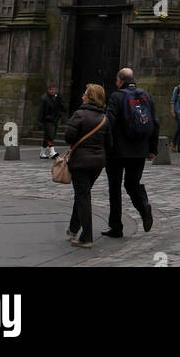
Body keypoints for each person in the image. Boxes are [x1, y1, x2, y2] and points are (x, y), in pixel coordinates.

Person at [103, 67, 159, 238]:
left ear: (120, 81)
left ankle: (116, 227)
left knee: (115, 187)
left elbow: (109, 122)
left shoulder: (116, 96)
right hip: (139, 150)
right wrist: (152, 149)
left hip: (117, 152)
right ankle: (143, 205)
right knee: (132, 184)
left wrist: (103, 143)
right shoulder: (147, 96)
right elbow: (155, 123)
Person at [63, 83, 112, 248]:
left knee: (83, 196)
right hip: (97, 163)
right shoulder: (105, 118)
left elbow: (69, 137)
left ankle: (87, 236)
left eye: (84, 94)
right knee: (82, 193)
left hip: (81, 162)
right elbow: (109, 143)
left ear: (90, 97)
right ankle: (73, 228)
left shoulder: (80, 114)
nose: (82, 96)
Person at [37, 82, 66, 160]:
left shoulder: (57, 96)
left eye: (54, 89)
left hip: (55, 119)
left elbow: (61, 106)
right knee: (49, 135)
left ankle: (42, 153)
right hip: (47, 120)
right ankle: (52, 152)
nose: (53, 91)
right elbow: (41, 110)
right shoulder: (44, 98)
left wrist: (60, 114)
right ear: (48, 90)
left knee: (49, 136)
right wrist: (40, 120)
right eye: (51, 90)